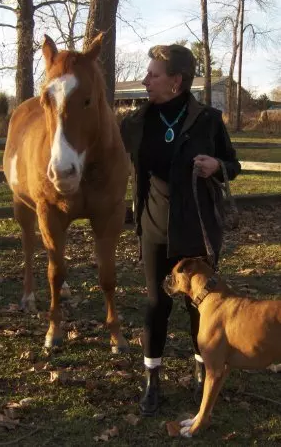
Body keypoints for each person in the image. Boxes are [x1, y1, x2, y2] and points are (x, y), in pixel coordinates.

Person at [119, 44, 241, 416]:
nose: (145, 80)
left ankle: (201, 370)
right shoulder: (135, 123)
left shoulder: (208, 120)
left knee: (197, 308)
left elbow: (233, 165)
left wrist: (216, 165)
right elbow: (105, 154)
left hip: (197, 228)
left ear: (176, 81)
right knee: (157, 305)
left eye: (153, 75)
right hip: (155, 226)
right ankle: (152, 381)